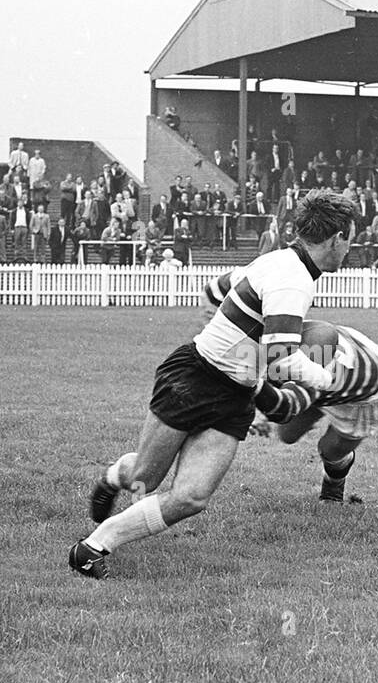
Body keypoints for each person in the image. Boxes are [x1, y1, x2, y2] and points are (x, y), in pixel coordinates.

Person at [68, 190, 356, 580]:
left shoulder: (281, 262)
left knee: (192, 497)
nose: (350, 249)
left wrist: (232, 343)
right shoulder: (292, 279)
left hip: (236, 394)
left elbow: (217, 290)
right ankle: (110, 479)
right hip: (193, 379)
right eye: (351, 239)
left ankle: (92, 547)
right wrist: (331, 379)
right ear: (337, 238)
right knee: (144, 479)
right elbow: (281, 359)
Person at [253, 319, 378, 503]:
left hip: (361, 396)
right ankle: (373, 355)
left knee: (330, 451)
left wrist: (259, 413)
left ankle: (333, 487)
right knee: (287, 434)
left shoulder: (315, 364)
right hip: (324, 379)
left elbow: (283, 408)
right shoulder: (287, 339)